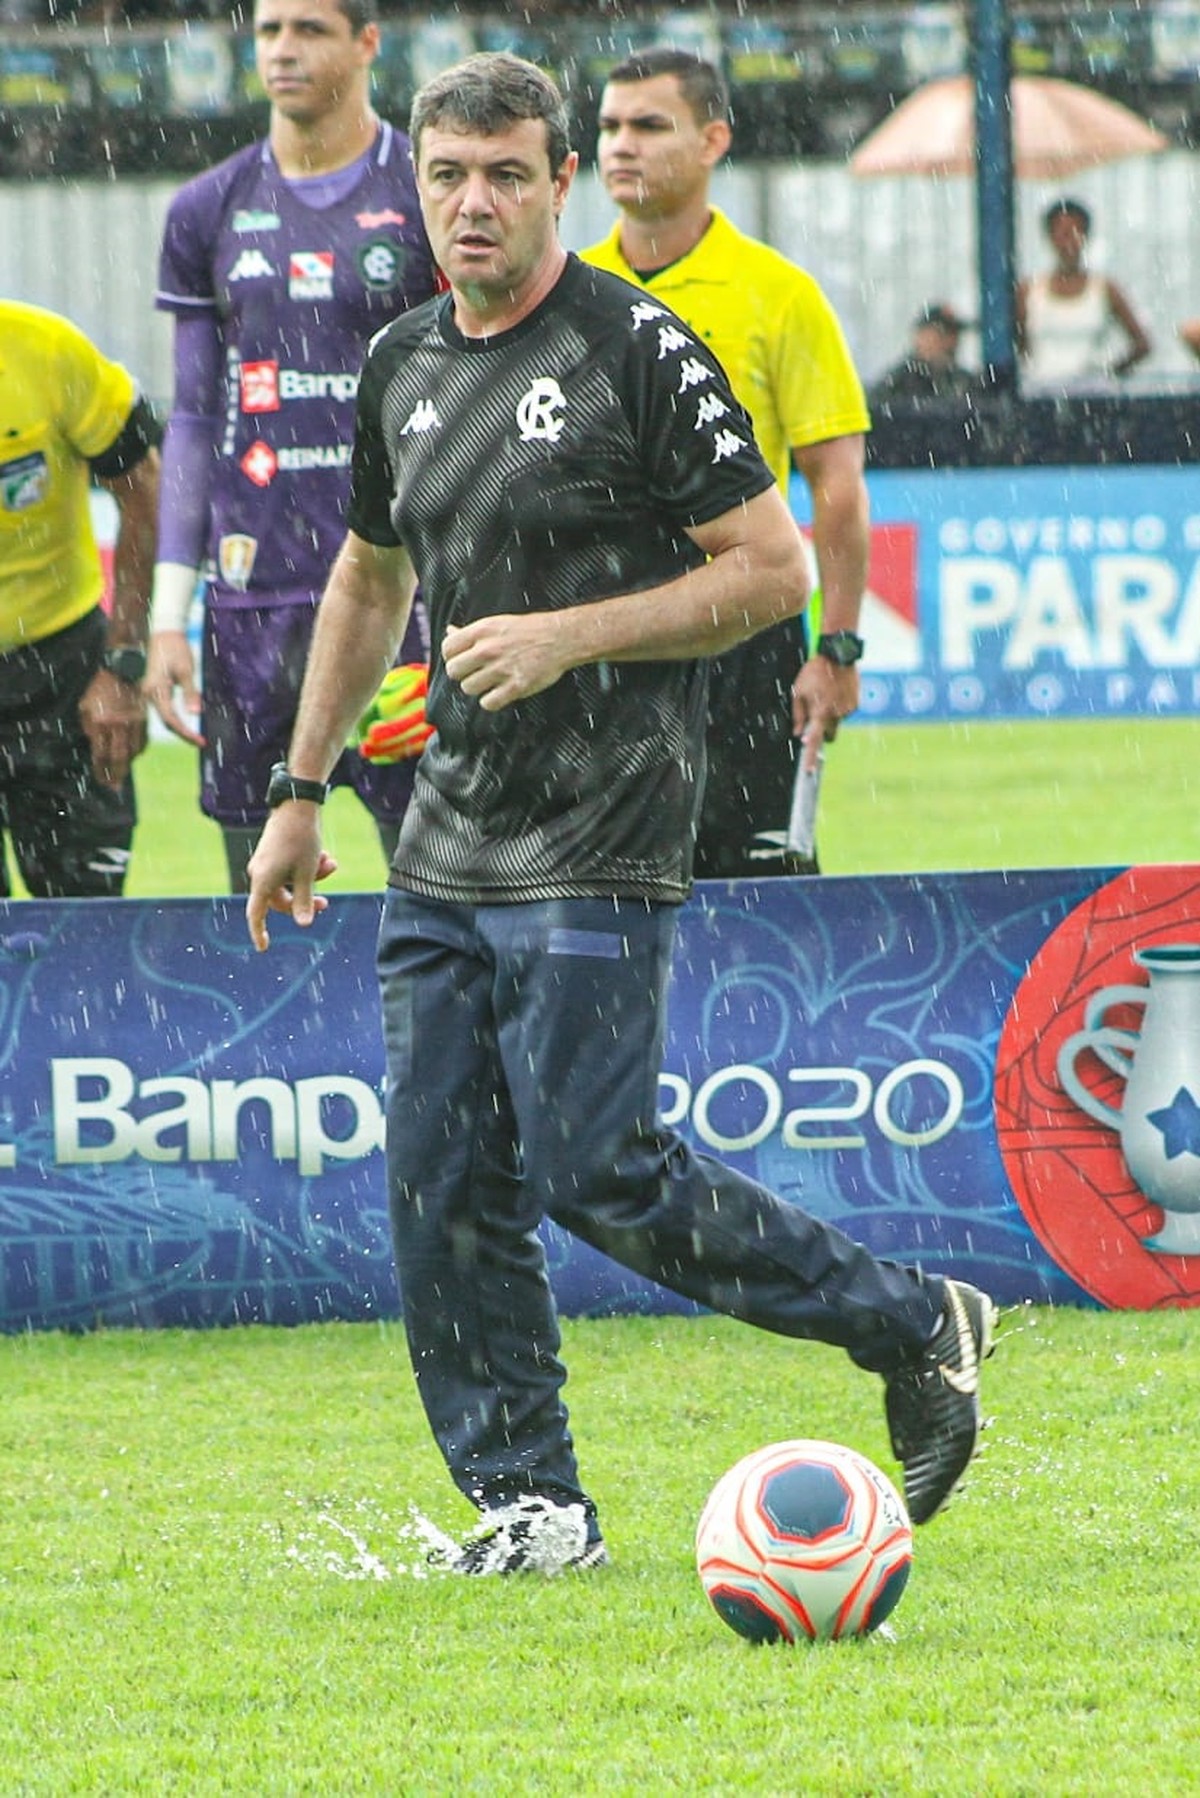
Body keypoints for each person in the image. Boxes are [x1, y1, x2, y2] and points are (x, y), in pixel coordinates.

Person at [245, 50, 997, 1576]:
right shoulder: (402, 362)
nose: (473, 203)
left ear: (559, 183)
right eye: (448, 176)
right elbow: (369, 579)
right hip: (446, 838)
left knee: (599, 1169)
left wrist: (569, 637)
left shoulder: (636, 346)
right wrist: (299, 789)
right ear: (417, 186)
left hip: (604, 827)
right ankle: (533, 1504)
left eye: (505, 175)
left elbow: (771, 570)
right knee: (439, 1183)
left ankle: (915, 1321)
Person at [146, 0, 438, 892]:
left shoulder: (427, 192)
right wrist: (167, 614)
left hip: (408, 595)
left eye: (309, 29)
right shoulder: (207, 207)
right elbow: (195, 417)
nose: (282, 49)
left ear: (367, 42)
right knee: (259, 896)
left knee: (445, 887)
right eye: (269, 29)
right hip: (255, 599)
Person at [582, 47, 871, 879]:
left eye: (649, 125)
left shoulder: (778, 293)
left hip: (742, 636)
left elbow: (836, 486)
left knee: (753, 899)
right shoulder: (569, 291)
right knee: (600, 899)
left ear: (713, 141)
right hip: (601, 634)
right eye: (609, 126)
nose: (621, 145)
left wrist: (837, 650)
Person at [0, 300, 160, 898]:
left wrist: (123, 664)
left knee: (87, 930)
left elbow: (143, 488)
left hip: (61, 673)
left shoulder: (47, 349)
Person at [1015, 197, 1151, 390]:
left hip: (1093, 396)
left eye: (1076, 232)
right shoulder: (1029, 291)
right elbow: (1018, 344)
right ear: (1049, 237)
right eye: (1062, 233)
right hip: (1039, 393)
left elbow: (1142, 344)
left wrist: (1108, 374)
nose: (1069, 241)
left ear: (1086, 236)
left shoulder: (1105, 289)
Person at [868, 302, 982, 405]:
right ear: (920, 337)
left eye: (955, 335)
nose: (951, 342)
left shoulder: (965, 381)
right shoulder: (896, 383)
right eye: (942, 334)